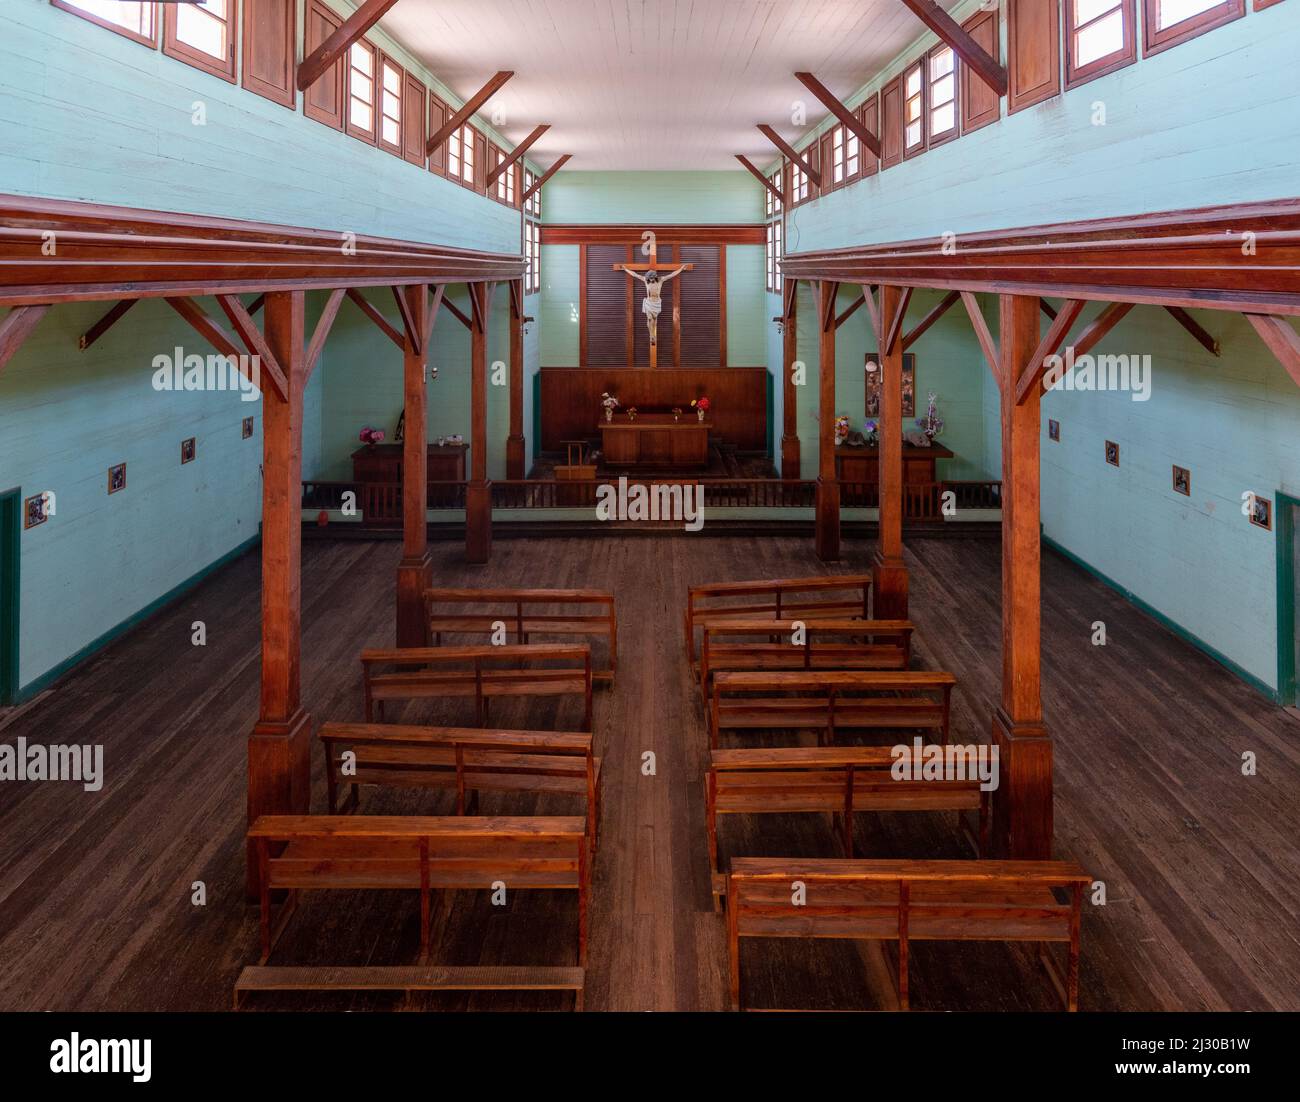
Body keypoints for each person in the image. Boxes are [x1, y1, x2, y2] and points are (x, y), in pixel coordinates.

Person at [626, 265, 687, 346]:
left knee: (654, 321)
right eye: (649, 278)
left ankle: (653, 335)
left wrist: (681, 269)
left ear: (655, 277)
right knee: (649, 319)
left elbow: (672, 274)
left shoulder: (661, 280)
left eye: (651, 278)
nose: (650, 280)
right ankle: (651, 336)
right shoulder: (646, 280)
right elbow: (635, 274)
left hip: (657, 303)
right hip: (649, 303)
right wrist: (625, 269)